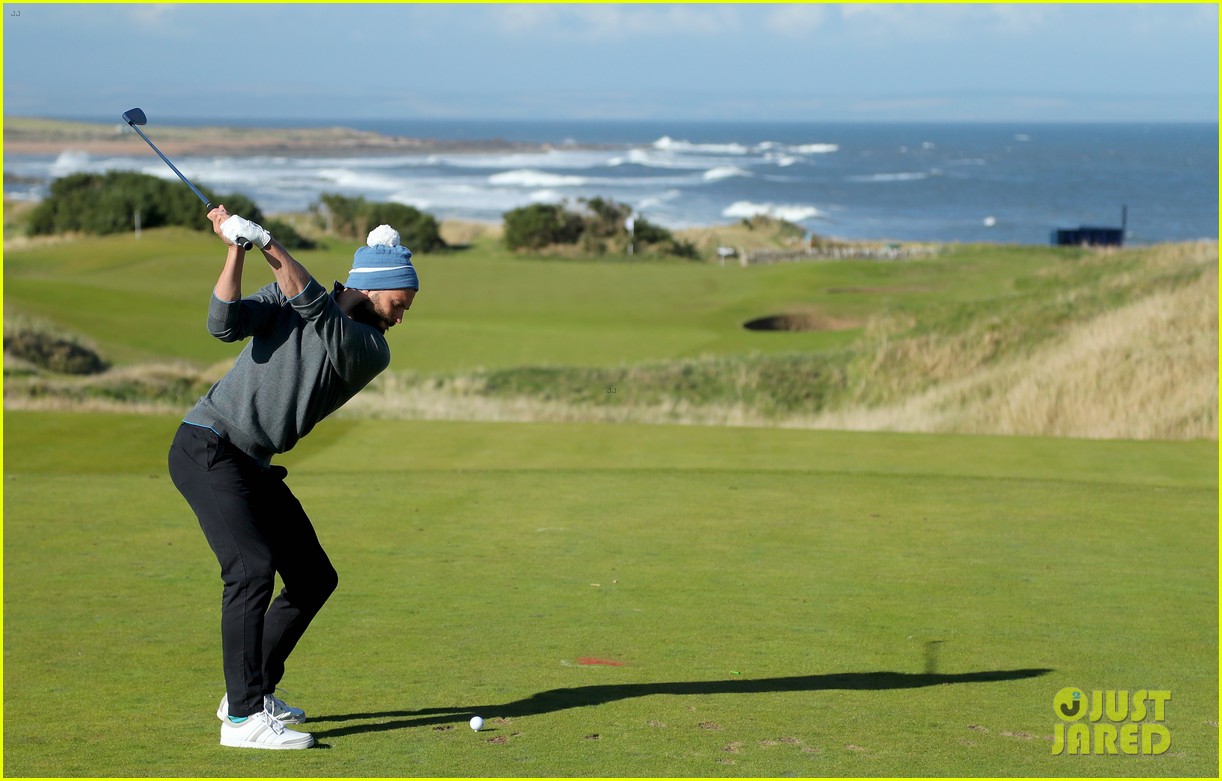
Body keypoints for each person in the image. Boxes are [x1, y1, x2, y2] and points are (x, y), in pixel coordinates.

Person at [168, 206, 419, 749]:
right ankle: (241, 719)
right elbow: (224, 324)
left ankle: (251, 691)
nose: (402, 317)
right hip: (208, 445)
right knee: (251, 571)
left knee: (312, 578)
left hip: (250, 463)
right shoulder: (287, 294)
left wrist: (270, 243)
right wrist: (237, 247)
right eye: (400, 303)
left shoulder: (370, 348)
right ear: (376, 289)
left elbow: (320, 314)